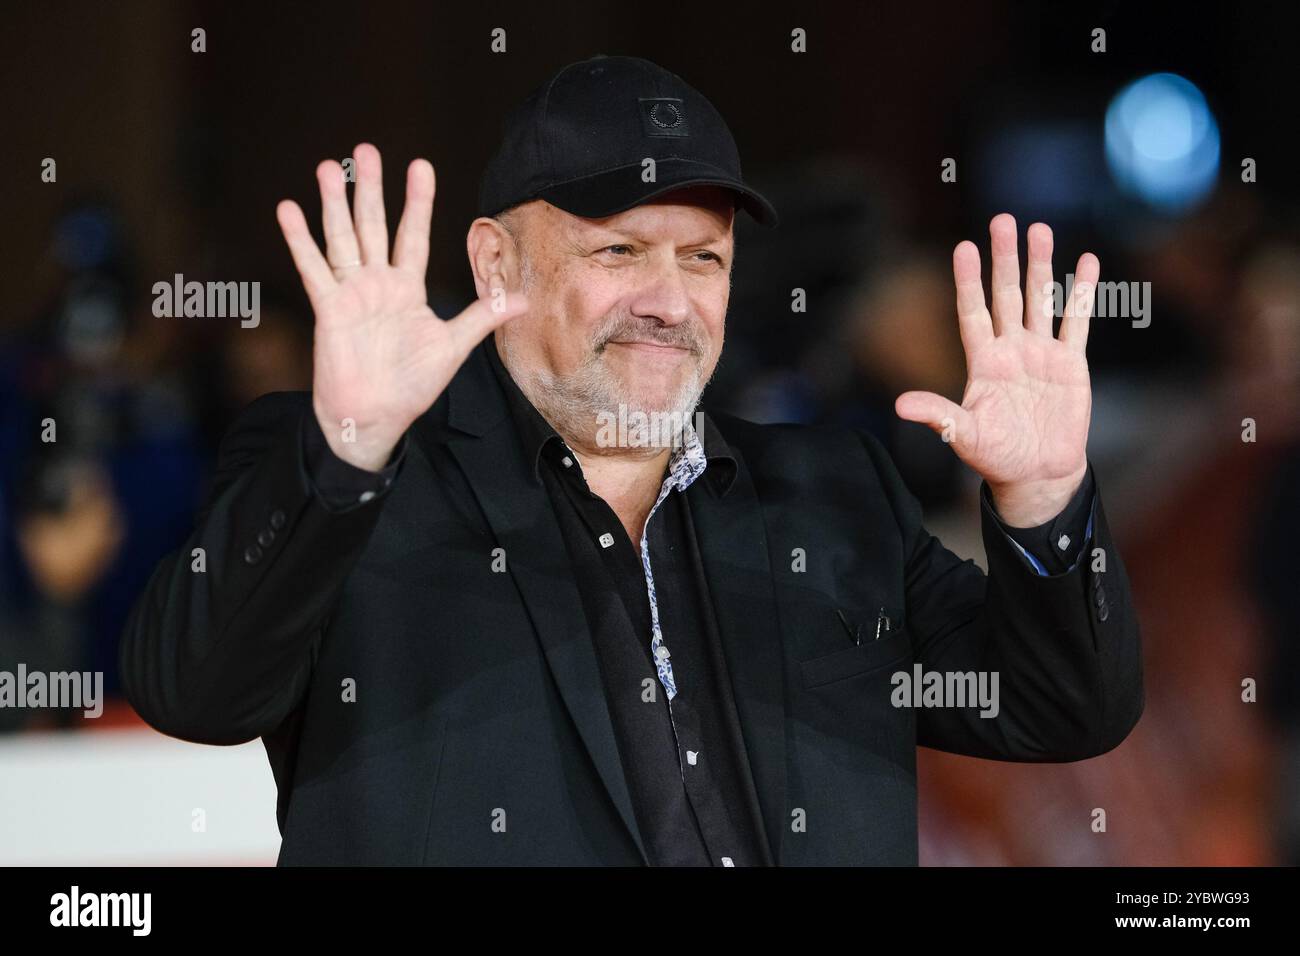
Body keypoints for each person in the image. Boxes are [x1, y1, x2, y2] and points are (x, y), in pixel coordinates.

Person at [118, 54, 1143, 865]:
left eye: (701, 258)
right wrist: (344, 456)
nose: (667, 299)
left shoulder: (835, 495)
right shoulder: (354, 478)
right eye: (618, 251)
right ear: (495, 262)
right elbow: (192, 693)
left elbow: (1059, 706)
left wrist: (1046, 500)